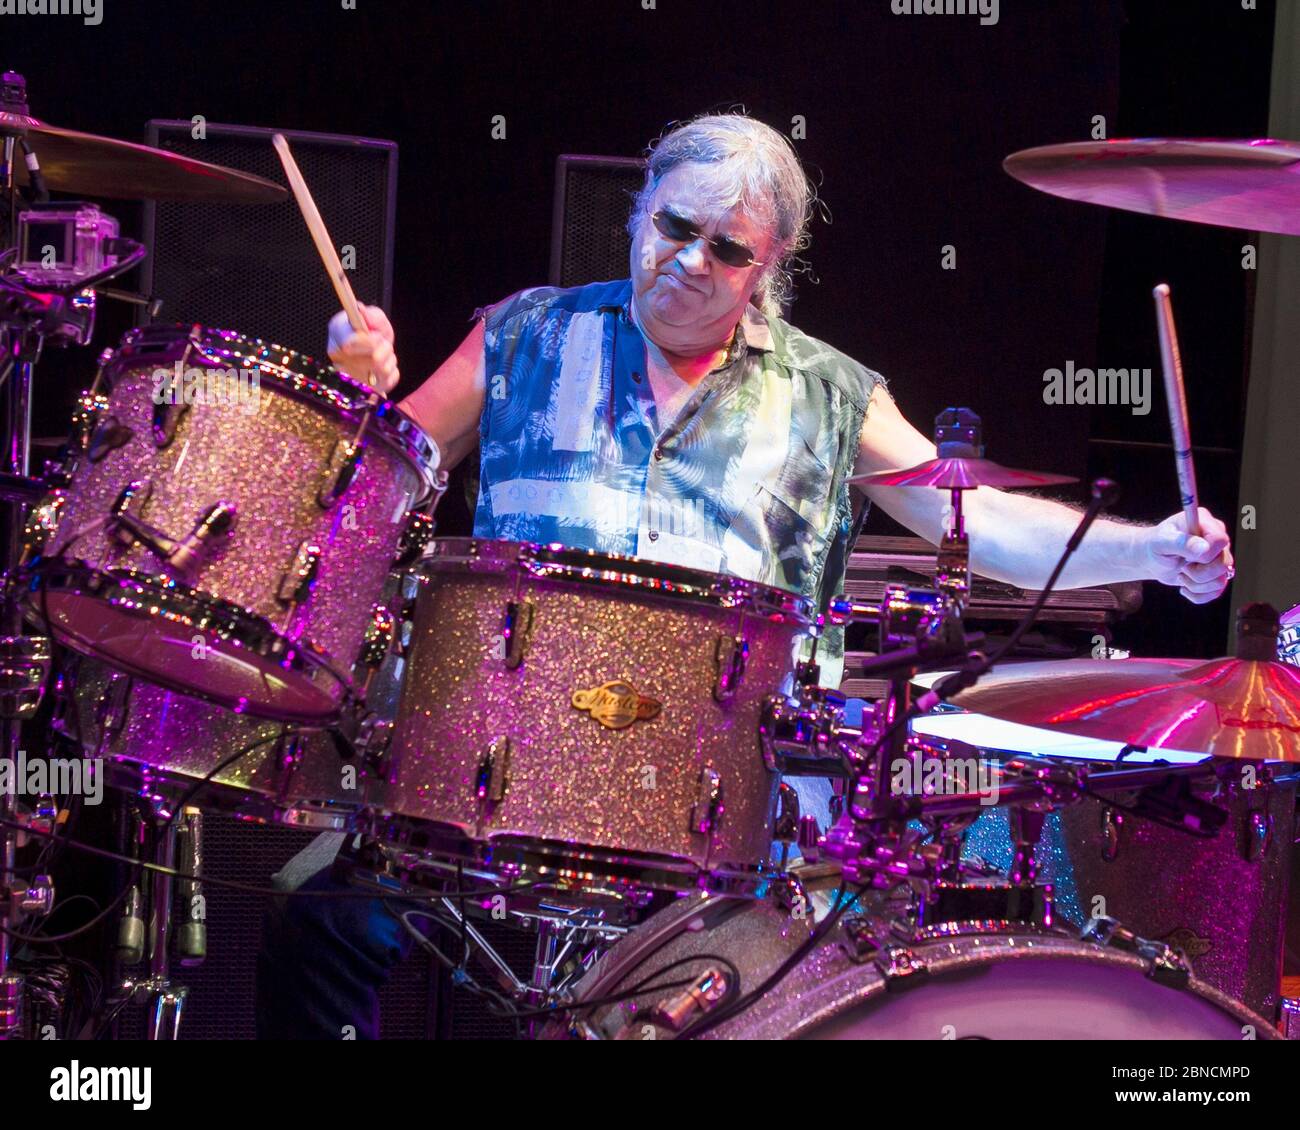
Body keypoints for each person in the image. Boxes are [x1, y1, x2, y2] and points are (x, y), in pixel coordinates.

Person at [254, 112, 1232, 1039]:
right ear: (639, 209)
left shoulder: (826, 390)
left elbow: (971, 520)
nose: (687, 261)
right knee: (317, 918)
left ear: (767, 268)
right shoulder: (519, 337)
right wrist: (359, 394)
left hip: (719, 824)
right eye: (673, 227)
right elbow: (370, 493)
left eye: (727, 250)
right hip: (489, 788)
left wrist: (1148, 547)